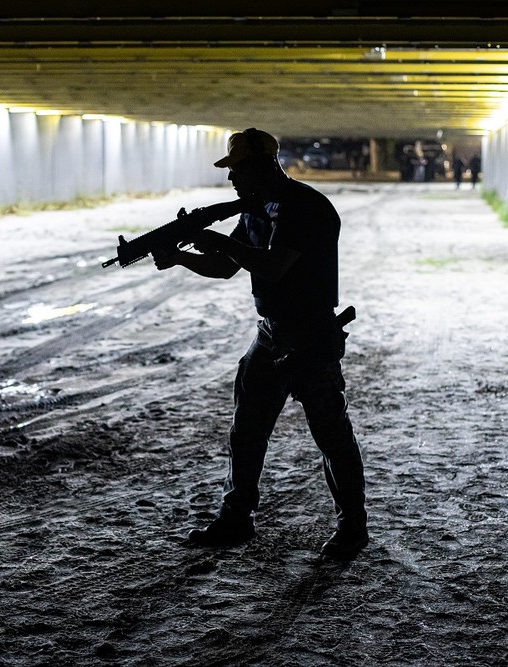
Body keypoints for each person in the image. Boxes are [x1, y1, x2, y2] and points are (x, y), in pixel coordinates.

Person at [153, 128, 369, 561]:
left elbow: (273, 266)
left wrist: (216, 239)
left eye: (237, 169)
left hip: (309, 335)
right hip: (271, 334)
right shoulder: (255, 209)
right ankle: (237, 518)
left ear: (264, 165)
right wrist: (179, 256)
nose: (231, 178)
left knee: (331, 434)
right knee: (247, 430)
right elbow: (224, 267)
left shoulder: (305, 207)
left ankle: (353, 526)